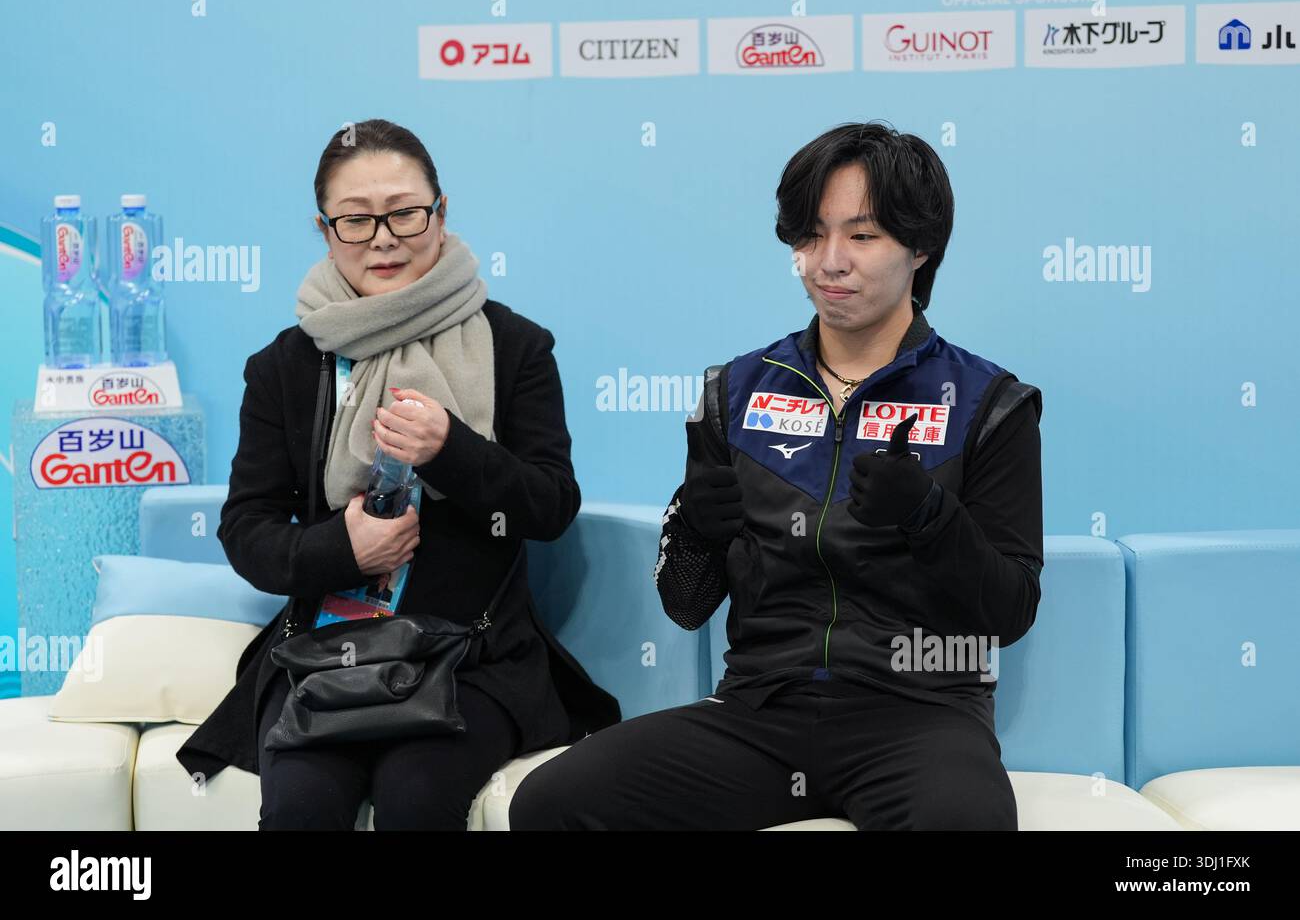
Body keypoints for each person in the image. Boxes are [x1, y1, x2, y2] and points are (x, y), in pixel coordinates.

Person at [509, 121, 1043, 830]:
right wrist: (696, 531)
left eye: (862, 235)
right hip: (761, 712)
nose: (829, 262)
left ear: (921, 247)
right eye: (811, 236)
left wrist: (929, 517)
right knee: (551, 802)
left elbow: (1009, 613)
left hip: (923, 716)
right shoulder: (737, 393)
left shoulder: (989, 404)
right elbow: (686, 603)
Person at [176, 118, 619, 829]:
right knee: (302, 807)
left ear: (441, 215)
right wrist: (340, 550)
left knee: (418, 798)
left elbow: (549, 506)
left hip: (472, 657)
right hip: (322, 655)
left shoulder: (516, 346)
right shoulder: (287, 365)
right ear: (325, 231)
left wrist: (453, 449)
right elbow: (247, 531)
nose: (382, 238)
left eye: (404, 213)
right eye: (355, 220)